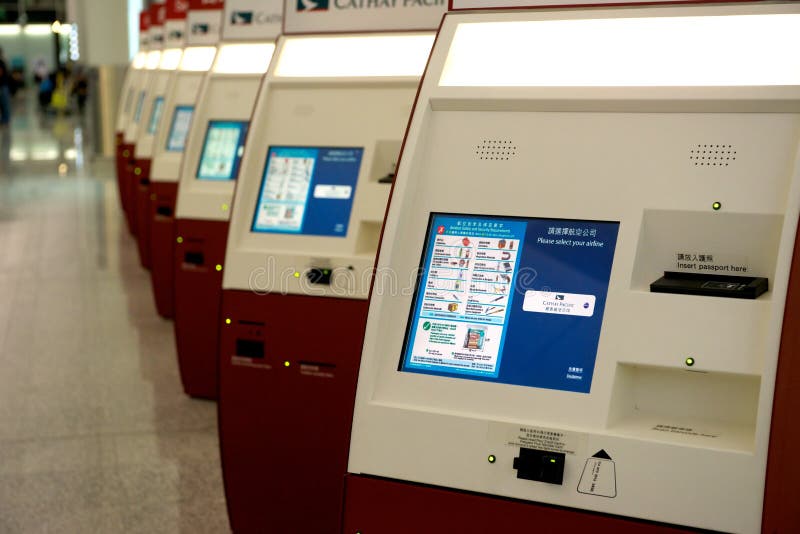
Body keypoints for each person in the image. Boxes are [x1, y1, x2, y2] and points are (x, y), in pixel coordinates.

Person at [0, 48, 10, 126]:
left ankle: (5, 119)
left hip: (3, 86)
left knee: (4, 104)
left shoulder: (2, 63)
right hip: (3, 86)